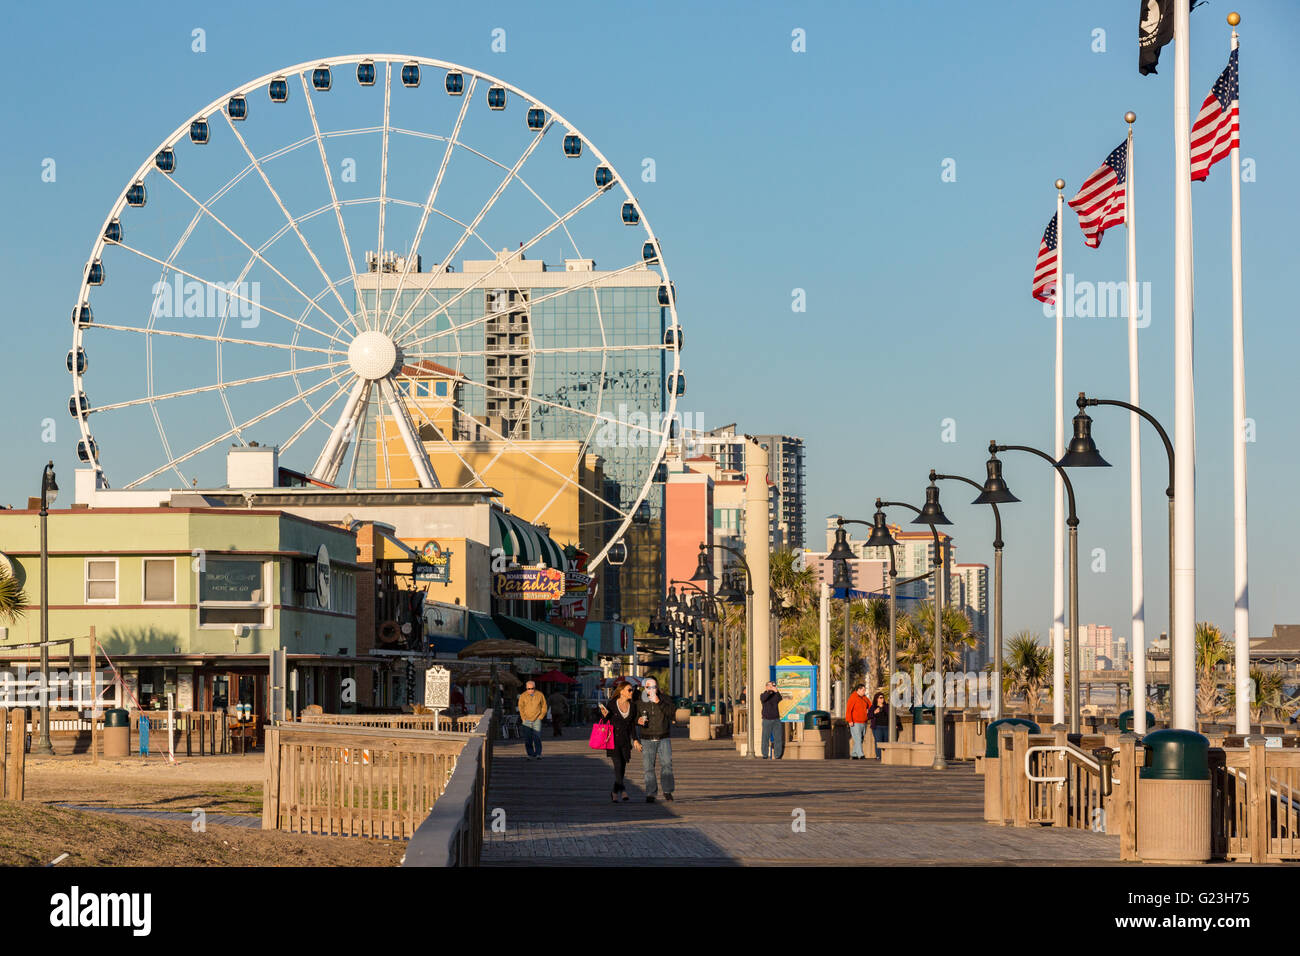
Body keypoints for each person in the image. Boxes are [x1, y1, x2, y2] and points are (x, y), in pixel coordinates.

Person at [598, 680, 641, 801]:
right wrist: (604, 715)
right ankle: (623, 790)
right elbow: (605, 720)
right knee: (617, 766)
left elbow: (632, 725)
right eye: (629, 690)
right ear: (621, 691)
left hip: (626, 741)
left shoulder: (633, 706)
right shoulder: (612, 704)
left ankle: (614, 792)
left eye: (631, 690)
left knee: (622, 768)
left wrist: (636, 740)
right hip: (613, 740)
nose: (631, 692)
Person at [637, 677, 676, 802]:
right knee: (648, 767)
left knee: (667, 765)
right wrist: (638, 721)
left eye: (653, 687)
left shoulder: (665, 699)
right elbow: (634, 717)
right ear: (645, 688)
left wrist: (659, 702)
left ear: (657, 687)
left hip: (663, 736)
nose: (651, 689)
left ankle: (667, 791)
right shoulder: (639, 701)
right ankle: (651, 793)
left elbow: (672, 713)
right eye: (648, 687)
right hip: (646, 737)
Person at [517, 680, 548, 759]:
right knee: (528, 738)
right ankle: (530, 754)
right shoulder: (523, 696)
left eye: (532, 688)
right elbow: (521, 707)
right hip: (526, 720)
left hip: (537, 719)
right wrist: (523, 718)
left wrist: (540, 717)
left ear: (535, 688)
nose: (530, 690)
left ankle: (538, 754)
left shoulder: (540, 695)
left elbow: (544, 706)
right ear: (526, 688)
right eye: (528, 688)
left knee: (537, 737)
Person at [759, 681, 785, 759]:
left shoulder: (775, 695)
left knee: (778, 738)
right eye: (770, 686)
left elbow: (780, 698)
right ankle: (765, 754)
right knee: (765, 738)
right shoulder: (763, 694)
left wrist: (776, 691)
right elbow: (764, 699)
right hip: (766, 719)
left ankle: (777, 755)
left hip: (776, 719)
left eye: (773, 685)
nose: (772, 687)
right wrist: (769, 691)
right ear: (766, 686)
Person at [846, 684, 870, 759]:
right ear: (858, 690)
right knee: (858, 738)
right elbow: (848, 710)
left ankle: (854, 754)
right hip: (855, 722)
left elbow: (870, 705)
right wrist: (850, 720)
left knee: (860, 739)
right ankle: (860, 754)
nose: (864, 691)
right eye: (863, 690)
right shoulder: (853, 698)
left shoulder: (865, 698)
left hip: (864, 721)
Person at [867, 690, 890, 760]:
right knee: (878, 741)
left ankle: (886, 757)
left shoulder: (887, 706)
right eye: (880, 697)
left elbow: (891, 715)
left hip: (886, 726)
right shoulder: (873, 707)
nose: (882, 699)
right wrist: (874, 712)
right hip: (877, 727)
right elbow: (869, 716)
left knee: (886, 742)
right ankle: (879, 756)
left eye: (883, 697)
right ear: (877, 699)